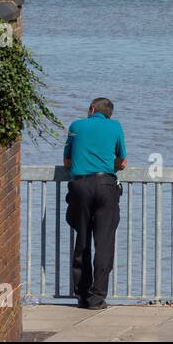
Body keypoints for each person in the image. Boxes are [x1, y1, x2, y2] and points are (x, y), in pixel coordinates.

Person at [63, 97, 127, 310]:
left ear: (91, 109)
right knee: (104, 243)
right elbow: (123, 162)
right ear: (110, 114)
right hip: (106, 185)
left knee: (82, 240)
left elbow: (67, 161)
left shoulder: (76, 126)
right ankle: (97, 298)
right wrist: (111, 164)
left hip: (80, 187)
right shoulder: (115, 127)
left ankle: (81, 296)